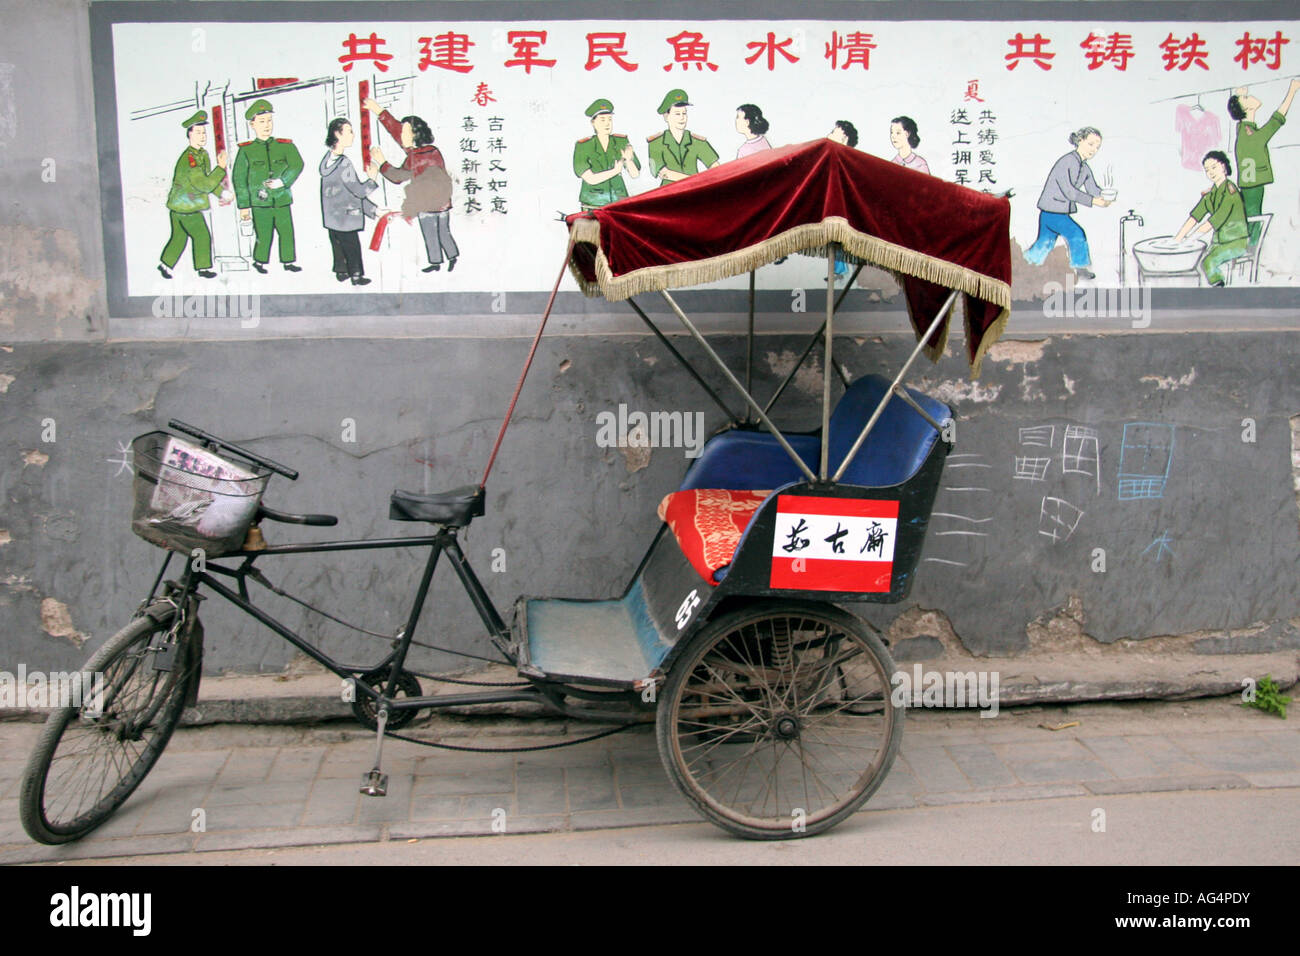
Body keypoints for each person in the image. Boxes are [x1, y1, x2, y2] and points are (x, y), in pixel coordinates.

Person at [363, 98, 458, 272]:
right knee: (443, 232)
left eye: (406, 132)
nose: (402, 135)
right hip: (442, 202)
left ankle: (438, 262)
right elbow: (396, 131)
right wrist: (378, 111)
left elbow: (397, 176)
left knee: (431, 233)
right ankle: (451, 258)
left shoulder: (415, 157)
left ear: (415, 135)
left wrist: (382, 161)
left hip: (427, 204)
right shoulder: (431, 150)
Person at [1023, 127, 1112, 279]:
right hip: (1053, 210)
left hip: (1054, 211)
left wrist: (1104, 195)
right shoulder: (1067, 161)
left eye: (1097, 147)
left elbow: (1093, 187)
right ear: (1080, 141)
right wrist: (1094, 201)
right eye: (1091, 144)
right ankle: (1080, 267)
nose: (1094, 150)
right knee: (1076, 234)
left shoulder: (1084, 167)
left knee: (1044, 243)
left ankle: (1024, 264)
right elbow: (1069, 191)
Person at [232, 99, 304, 274]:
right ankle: (260, 262)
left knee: (286, 232)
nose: (267, 125)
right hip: (259, 202)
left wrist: (283, 181)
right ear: (252, 124)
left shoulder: (285, 146)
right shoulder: (246, 150)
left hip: (281, 199)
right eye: (262, 121)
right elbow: (239, 179)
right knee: (263, 234)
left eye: (269, 120)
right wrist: (244, 206)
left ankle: (288, 262)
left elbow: (297, 164)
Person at [1228, 78, 1300, 244]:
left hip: (1250, 185)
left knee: (1252, 220)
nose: (1250, 97)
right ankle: (1250, 252)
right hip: (1253, 186)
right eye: (1246, 99)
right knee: (1254, 221)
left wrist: (1240, 95)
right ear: (1246, 108)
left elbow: (1243, 123)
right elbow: (1276, 121)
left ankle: (1249, 251)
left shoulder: (1245, 129)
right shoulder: (1250, 136)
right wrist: (1292, 91)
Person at [158, 110, 227, 280]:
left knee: (179, 239)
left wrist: (221, 193)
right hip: (186, 208)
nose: (202, 136)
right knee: (202, 236)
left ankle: (164, 265)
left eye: (204, 132)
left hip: (179, 207)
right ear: (189, 135)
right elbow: (203, 184)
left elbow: (206, 180)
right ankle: (203, 269)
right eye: (198, 132)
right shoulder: (190, 158)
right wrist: (221, 168)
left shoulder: (202, 154)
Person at [1173, 150, 1249, 288]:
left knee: (1208, 262)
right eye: (1207, 170)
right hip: (1219, 242)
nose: (1211, 172)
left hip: (1236, 242)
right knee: (1195, 261)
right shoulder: (1211, 193)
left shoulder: (1230, 192)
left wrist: (1190, 239)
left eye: (1214, 167)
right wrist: (1177, 239)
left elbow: (1213, 222)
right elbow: (1195, 217)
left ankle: (1219, 288)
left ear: (1224, 167)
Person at [320, 118, 381, 286]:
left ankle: (341, 272)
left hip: (332, 218)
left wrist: (374, 210)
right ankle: (356, 275)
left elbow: (348, 193)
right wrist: (372, 179)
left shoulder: (327, 161)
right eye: (350, 131)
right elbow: (358, 192)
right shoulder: (344, 163)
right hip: (346, 217)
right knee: (352, 247)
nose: (353, 135)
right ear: (337, 134)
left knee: (338, 246)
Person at [572, 98, 640, 209]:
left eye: (610, 119)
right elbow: (590, 179)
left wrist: (628, 160)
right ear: (593, 122)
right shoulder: (583, 146)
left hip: (619, 201)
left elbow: (635, 174)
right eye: (602, 120)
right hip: (593, 203)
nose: (607, 123)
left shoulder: (621, 141)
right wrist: (615, 171)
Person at [647, 89, 719, 184]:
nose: (682, 117)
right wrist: (697, 181)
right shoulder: (656, 143)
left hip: (695, 192)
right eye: (677, 114)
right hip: (669, 194)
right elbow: (662, 172)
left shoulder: (697, 141)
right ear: (666, 116)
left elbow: (716, 168)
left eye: (684, 113)